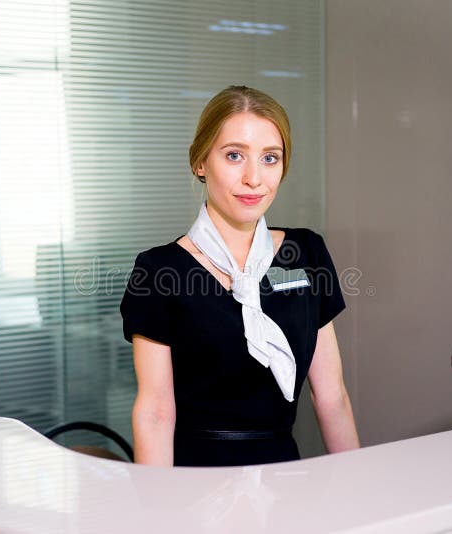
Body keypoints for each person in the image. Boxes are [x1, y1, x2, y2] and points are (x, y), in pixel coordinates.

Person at [119, 85, 359, 467]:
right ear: (201, 162)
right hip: (195, 486)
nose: (254, 178)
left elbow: (332, 396)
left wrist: (356, 486)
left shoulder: (306, 253)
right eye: (234, 156)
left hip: (284, 479)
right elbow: (155, 413)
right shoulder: (159, 270)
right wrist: (157, 514)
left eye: (269, 158)